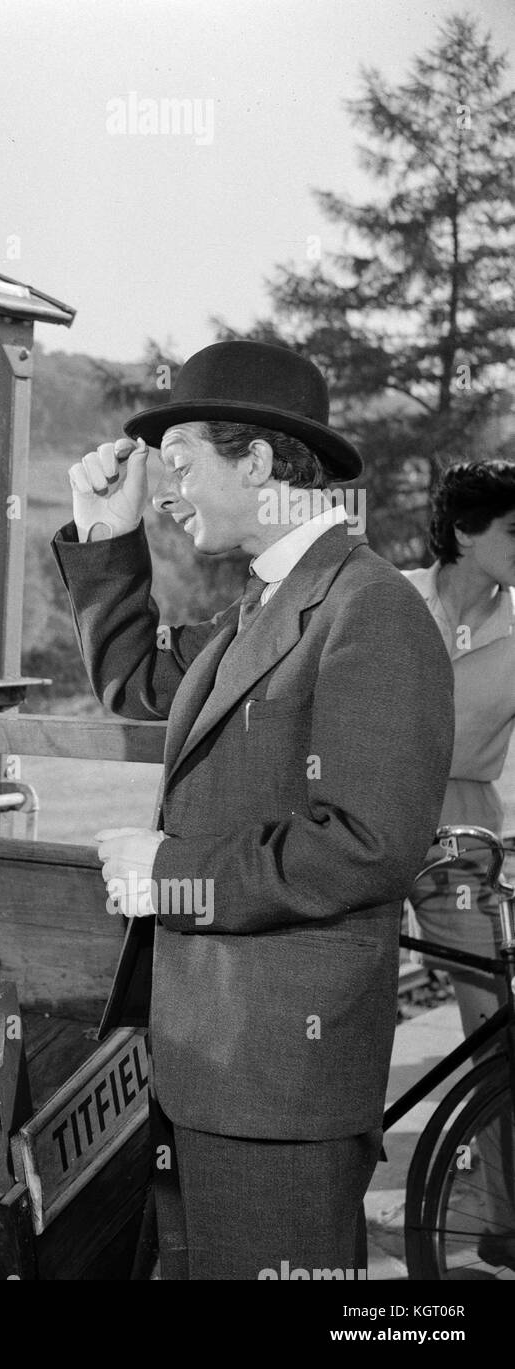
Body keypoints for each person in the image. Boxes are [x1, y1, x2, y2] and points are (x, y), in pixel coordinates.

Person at [52, 340, 454, 1280]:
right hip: (206, 1074)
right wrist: (105, 535)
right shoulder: (261, 608)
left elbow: (366, 844)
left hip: (281, 1090)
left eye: (183, 465)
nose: (168, 491)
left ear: (261, 462)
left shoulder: (372, 611)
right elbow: (137, 679)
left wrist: (170, 873)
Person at [403, 459, 515, 1268]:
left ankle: (499, 1222)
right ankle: (321, 1206)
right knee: (337, 1013)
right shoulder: (388, 600)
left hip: (463, 832)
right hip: (361, 817)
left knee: (497, 1028)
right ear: (467, 531)